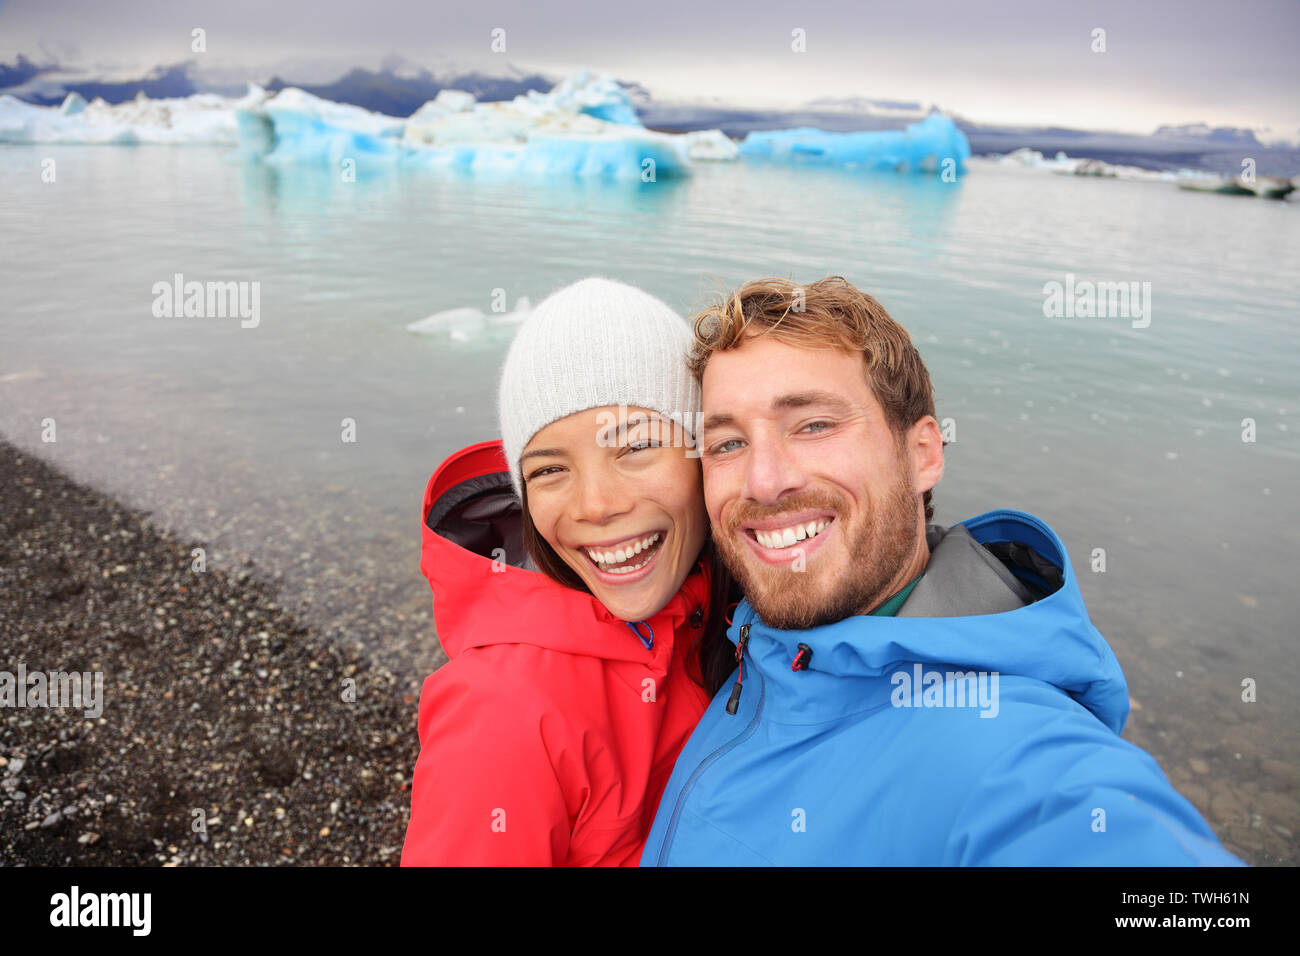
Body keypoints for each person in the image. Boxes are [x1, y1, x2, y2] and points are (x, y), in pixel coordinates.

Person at [640, 276, 1245, 866]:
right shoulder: (748, 644)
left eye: (815, 425)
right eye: (726, 444)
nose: (765, 481)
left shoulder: (1011, 753)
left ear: (923, 453)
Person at [401, 277, 737, 866]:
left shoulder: (747, 619)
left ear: (702, 453)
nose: (596, 504)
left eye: (634, 448)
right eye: (550, 470)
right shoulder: (504, 712)